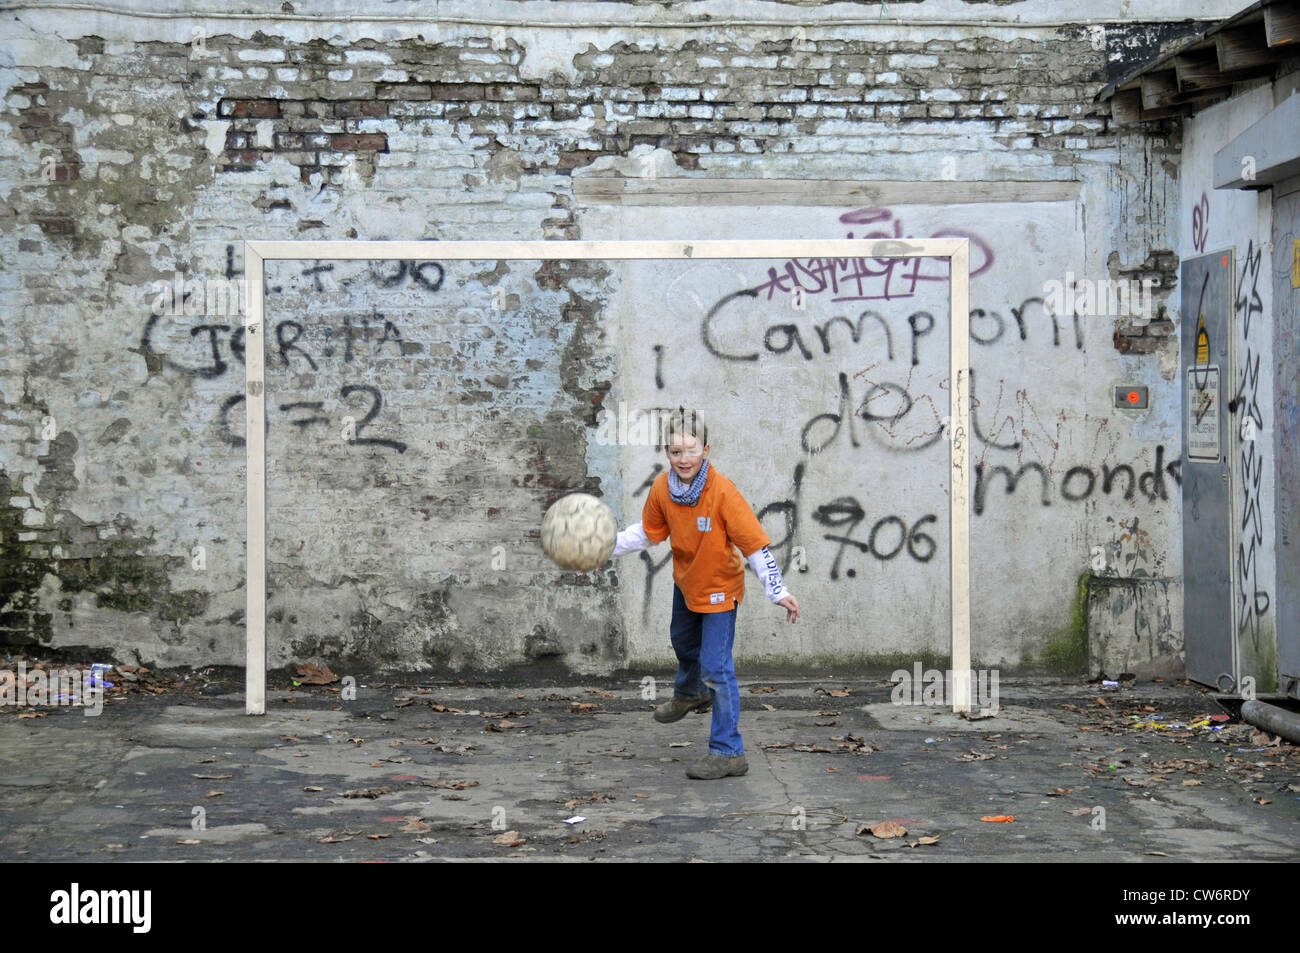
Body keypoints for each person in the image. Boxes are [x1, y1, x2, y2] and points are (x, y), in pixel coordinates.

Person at [610, 407, 800, 779]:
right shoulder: (662, 488)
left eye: (691, 450)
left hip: (720, 591)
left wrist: (778, 591)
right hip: (686, 584)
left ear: (706, 451)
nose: (684, 459)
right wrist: (604, 547)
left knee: (717, 667)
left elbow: (755, 547)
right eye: (676, 451)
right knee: (682, 645)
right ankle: (690, 693)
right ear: (667, 452)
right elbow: (648, 534)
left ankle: (729, 751)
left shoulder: (723, 491)